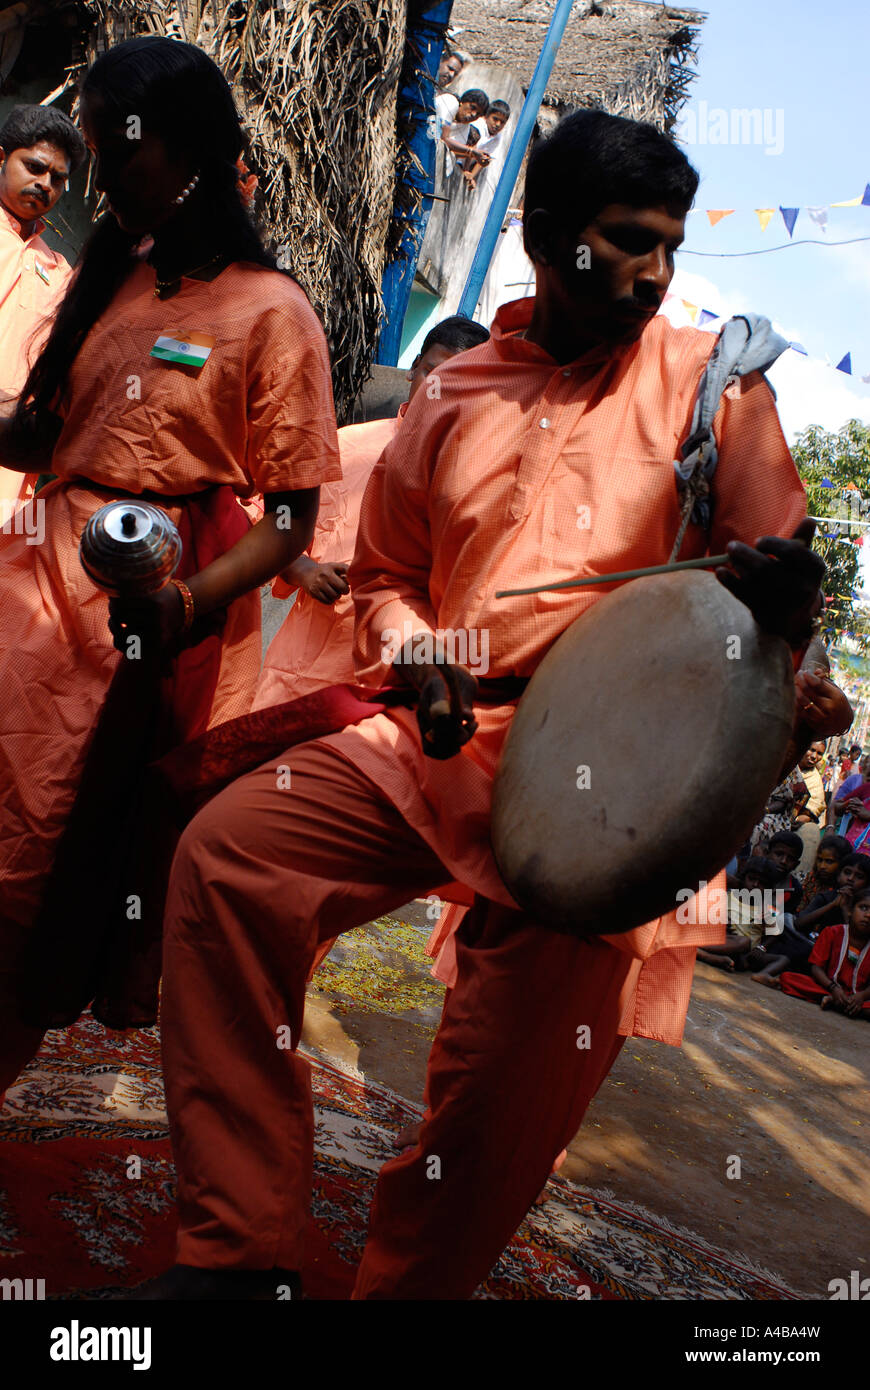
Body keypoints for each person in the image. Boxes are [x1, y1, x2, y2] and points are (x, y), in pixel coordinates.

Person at [139, 109, 833, 1303]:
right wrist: (416, 650)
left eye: (668, 244)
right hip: (437, 741)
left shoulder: (717, 385)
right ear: (550, 236)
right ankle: (239, 1253)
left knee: (501, 1108)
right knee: (229, 860)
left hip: (612, 785)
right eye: (627, 240)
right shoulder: (454, 387)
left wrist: (784, 590)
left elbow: (779, 578)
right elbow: (389, 579)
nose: (656, 272)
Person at [0, 37, 340, 1092]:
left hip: (136, 631)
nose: (104, 182)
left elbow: (289, 521)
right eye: (97, 154)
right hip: (26, 594)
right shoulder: (116, 278)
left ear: (195, 148)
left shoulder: (270, 311)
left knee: (40, 880)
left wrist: (188, 600)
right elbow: (51, 438)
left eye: (123, 154)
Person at [253, 314, 490, 708]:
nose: (440, 391)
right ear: (413, 369)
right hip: (301, 670)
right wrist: (304, 570)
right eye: (431, 373)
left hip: (398, 683)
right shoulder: (345, 448)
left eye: (459, 382)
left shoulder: (481, 478)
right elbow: (263, 516)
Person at [0, 104, 85, 506]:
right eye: (34, 167)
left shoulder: (59, 270)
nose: (44, 183)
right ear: (1, 159)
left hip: (9, 466)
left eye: (58, 178)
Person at [753, 851, 870, 987]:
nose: (850, 879)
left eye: (859, 876)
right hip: (813, 946)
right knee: (790, 941)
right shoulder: (827, 897)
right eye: (847, 872)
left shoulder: (865, 907)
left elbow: (853, 938)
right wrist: (832, 905)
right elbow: (798, 924)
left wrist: (845, 909)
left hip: (841, 956)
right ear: (839, 875)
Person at [779, 891, 870, 1016]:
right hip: (829, 987)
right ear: (850, 910)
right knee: (789, 978)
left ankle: (838, 1004)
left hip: (860, 997)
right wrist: (833, 988)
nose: (868, 915)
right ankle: (843, 1004)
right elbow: (816, 968)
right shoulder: (832, 932)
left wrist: (861, 996)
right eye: (863, 908)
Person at [695, 856, 782, 972]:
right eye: (751, 879)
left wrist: (762, 948)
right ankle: (703, 953)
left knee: (745, 944)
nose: (755, 884)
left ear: (769, 888)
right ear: (743, 877)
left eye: (762, 883)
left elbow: (775, 933)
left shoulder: (768, 908)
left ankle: (698, 952)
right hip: (720, 940)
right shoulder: (728, 897)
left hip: (743, 951)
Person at [791, 739, 827, 875]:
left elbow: (814, 808)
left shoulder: (815, 781)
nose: (814, 756)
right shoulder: (786, 762)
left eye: (819, 753)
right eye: (811, 750)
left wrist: (796, 821)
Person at [463, 100, 511, 192]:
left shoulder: (497, 137)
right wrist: (466, 170)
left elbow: (484, 159)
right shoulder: (478, 125)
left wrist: (471, 176)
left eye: (502, 122)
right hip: (459, 160)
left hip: (467, 166)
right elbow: (471, 147)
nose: (497, 125)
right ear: (486, 116)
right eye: (495, 119)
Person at [440, 89, 490, 178]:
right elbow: (444, 138)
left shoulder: (465, 128)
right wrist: (472, 151)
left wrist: (477, 157)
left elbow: (452, 150)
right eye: (472, 107)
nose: (473, 114)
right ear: (463, 102)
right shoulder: (450, 102)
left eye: (478, 114)